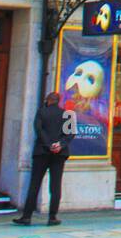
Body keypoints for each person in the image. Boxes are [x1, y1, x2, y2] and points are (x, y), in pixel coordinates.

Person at [13, 91, 75, 226]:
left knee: (35, 184)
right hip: (59, 153)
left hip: (42, 152)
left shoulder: (41, 112)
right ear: (59, 101)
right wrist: (59, 144)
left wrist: (48, 145)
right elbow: (70, 133)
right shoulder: (67, 114)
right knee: (55, 185)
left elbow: (39, 130)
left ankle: (27, 216)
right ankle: (52, 217)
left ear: (47, 100)